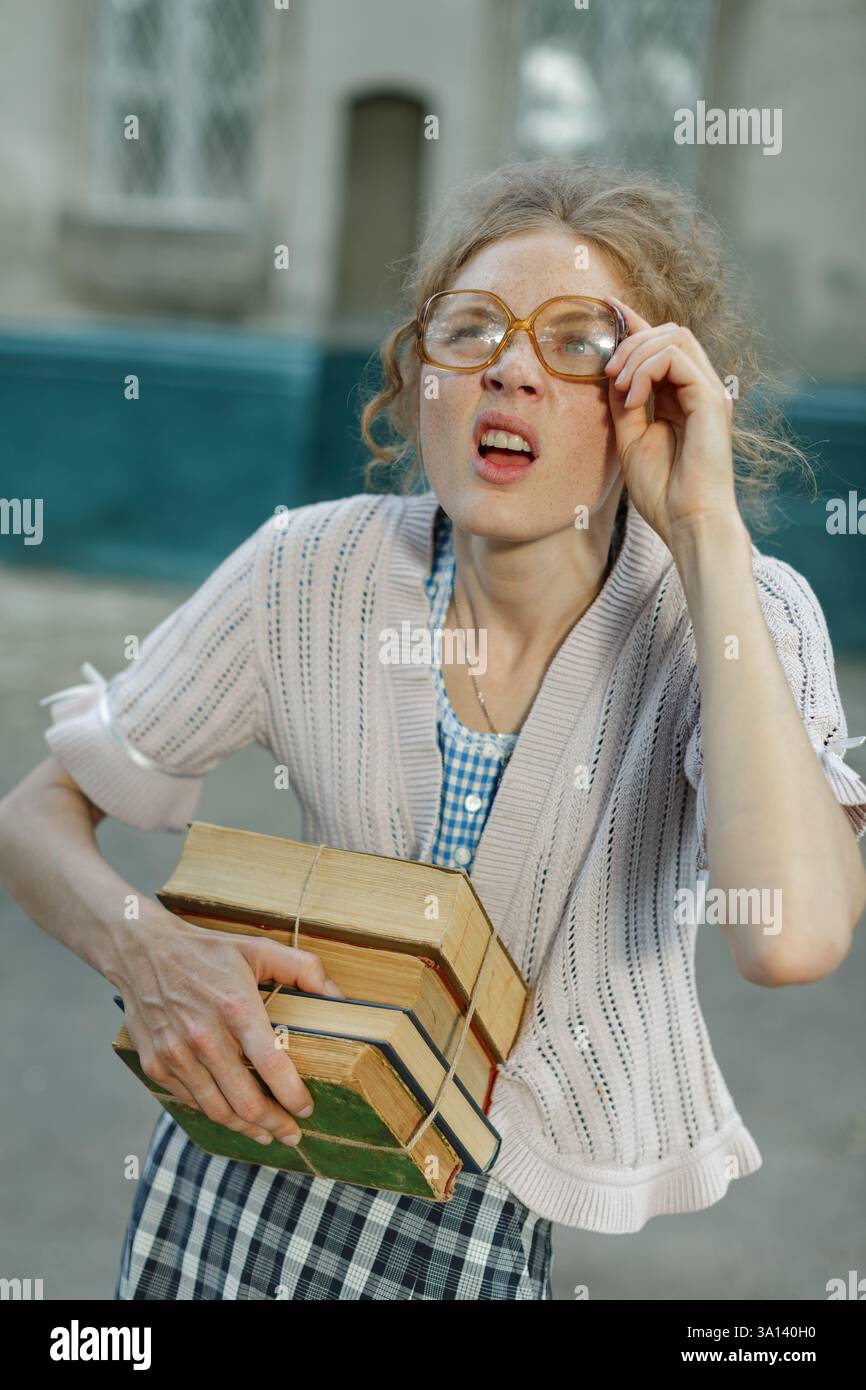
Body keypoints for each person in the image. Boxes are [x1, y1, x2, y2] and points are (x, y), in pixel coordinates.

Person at [1, 158, 864, 1301]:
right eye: (471, 331)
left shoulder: (740, 612)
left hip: (472, 1239)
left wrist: (705, 534)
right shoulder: (308, 569)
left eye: (575, 343)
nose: (509, 366)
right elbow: (33, 817)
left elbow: (792, 938)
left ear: (651, 392)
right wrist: (147, 949)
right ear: (423, 381)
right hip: (232, 1182)